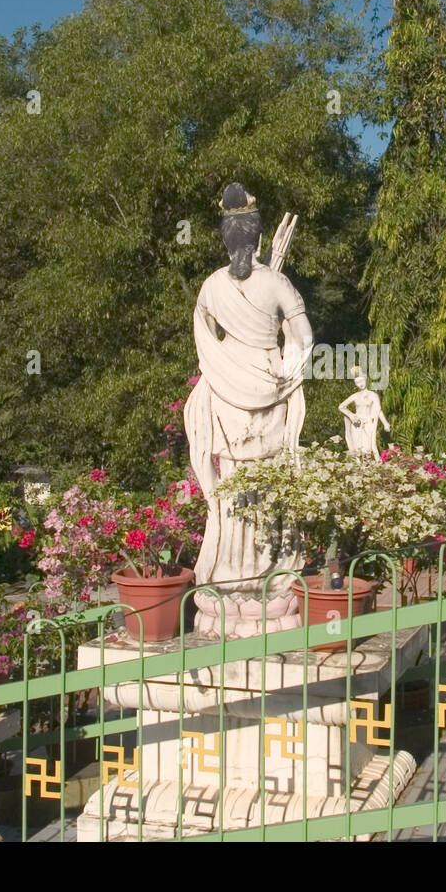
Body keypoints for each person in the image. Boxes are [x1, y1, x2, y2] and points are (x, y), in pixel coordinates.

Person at [184, 183, 314, 635]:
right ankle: (267, 573)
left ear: (226, 238)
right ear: (258, 238)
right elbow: (304, 339)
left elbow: (204, 336)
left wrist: (221, 367)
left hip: (226, 389)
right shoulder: (277, 283)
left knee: (236, 484)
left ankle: (228, 574)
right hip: (267, 382)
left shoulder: (211, 286)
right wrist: (284, 375)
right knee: (269, 481)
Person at [339, 365, 390, 457]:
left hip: (368, 422)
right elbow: (341, 406)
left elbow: (378, 410)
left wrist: (385, 423)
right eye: (357, 382)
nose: (360, 384)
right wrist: (351, 415)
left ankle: (371, 467)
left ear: (365, 379)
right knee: (357, 447)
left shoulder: (373, 395)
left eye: (361, 381)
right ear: (355, 384)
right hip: (357, 423)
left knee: (368, 447)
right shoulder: (355, 396)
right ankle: (359, 467)